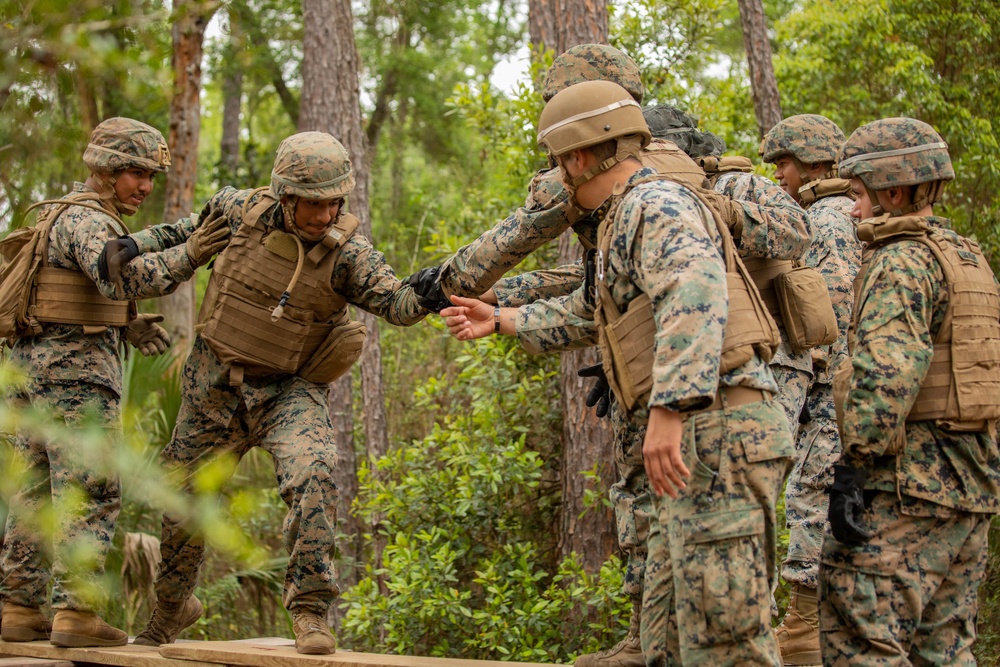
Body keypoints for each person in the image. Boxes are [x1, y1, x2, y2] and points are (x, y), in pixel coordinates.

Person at [407, 46, 810, 667]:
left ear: (576, 155)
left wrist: (670, 409)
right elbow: (597, 313)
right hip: (701, 433)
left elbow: (694, 291)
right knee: (668, 642)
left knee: (728, 645)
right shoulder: (622, 214)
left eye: (557, 159)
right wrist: (506, 318)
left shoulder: (655, 204)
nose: (556, 174)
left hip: (719, 430)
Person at [125, 131, 429, 655]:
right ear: (284, 195)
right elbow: (182, 232)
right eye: (314, 203)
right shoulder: (237, 211)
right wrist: (131, 245)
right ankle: (171, 609)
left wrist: (446, 284)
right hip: (212, 385)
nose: (326, 213)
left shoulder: (349, 253)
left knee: (313, 471)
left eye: (335, 201)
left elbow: (399, 305)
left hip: (288, 391)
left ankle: (310, 610)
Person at [0, 117, 229, 647]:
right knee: (88, 489)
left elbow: (67, 293)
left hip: (32, 373)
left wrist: (124, 323)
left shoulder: (60, 212)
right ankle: (77, 614)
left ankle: (17, 607)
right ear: (105, 168)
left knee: (35, 492)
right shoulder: (89, 221)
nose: (146, 186)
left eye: (150, 175)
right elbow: (120, 275)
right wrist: (191, 255)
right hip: (75, 380)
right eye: (136, 173)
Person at [823, 117, 1000, 665]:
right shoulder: (968, 259)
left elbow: (886, 376)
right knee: (944, 650)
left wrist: (853, 466)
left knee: (861, 642)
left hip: (906, 492)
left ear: (892, 192)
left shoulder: (901, 260)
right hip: (972, 487)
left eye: (857, 194)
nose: (853, 209)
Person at [758, 114, 861, 666]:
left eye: (786, 163)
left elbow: (833, 311)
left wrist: (804, 381)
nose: (778, 174)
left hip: (829, 386)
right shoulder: (840, 213)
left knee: (810, 496)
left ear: (817, 162)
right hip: (839, 385)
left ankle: (803, 629)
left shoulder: (827, 218)